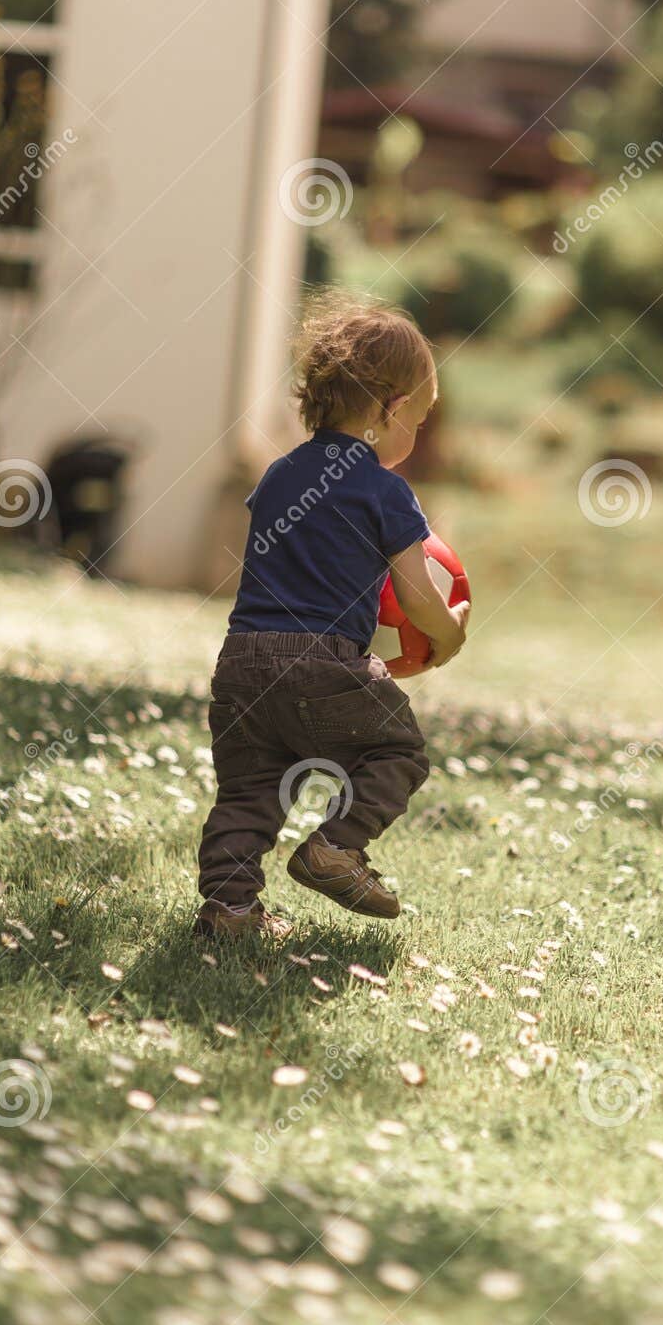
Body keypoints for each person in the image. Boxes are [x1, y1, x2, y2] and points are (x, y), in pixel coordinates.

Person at [195, 293, 469, 939]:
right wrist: (448, 633)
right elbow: (418, 594)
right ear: (394, 409)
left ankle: (230, 912)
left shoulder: (278, 476)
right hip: (323, 664)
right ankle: (335, 848)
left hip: (240, 664)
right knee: (397, 750)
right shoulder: (387, 490)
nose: (417, 433)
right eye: (420, 419)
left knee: (247, 794)